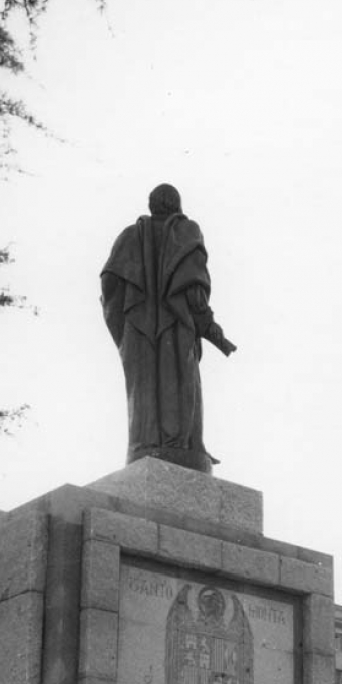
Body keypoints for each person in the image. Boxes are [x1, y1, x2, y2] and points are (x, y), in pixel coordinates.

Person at [101, 184, 238, 474]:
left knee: (145, 388)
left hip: (137, 328)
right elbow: (193, 291)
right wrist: (212, 329)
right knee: (178, 383)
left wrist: (126, 319)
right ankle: (181, 447)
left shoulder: (128, 237)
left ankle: (146, 445)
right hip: (177, 326)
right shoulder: (186, 232)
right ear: (177, 205)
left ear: (152, 205)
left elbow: (109, 284)